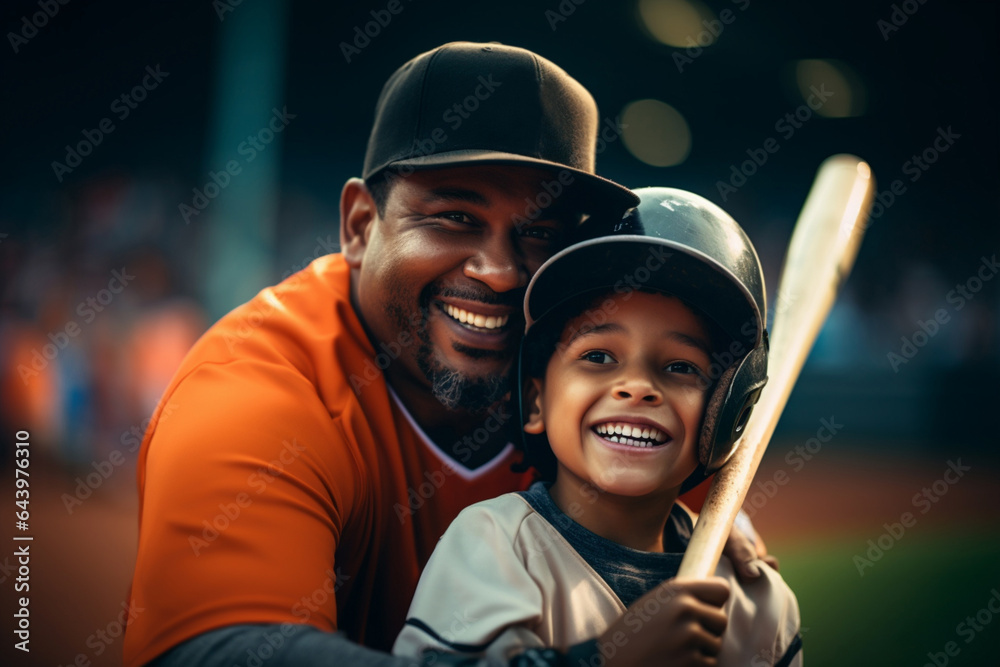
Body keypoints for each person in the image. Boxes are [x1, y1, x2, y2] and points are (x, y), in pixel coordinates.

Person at [124, 43, 767, 667]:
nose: (500, 272)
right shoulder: (257, 393)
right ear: (358, 225)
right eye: (454, 217)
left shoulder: (584, 375)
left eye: (540, 233)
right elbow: (219, 652)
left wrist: (668, 512)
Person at [393, 188, 802, 666]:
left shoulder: (760, 603)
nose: (636, 387)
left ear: (725, 416)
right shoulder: (496, 547)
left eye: (680, 367)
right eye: (598, 357)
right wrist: (609, 658)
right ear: (536, 401)